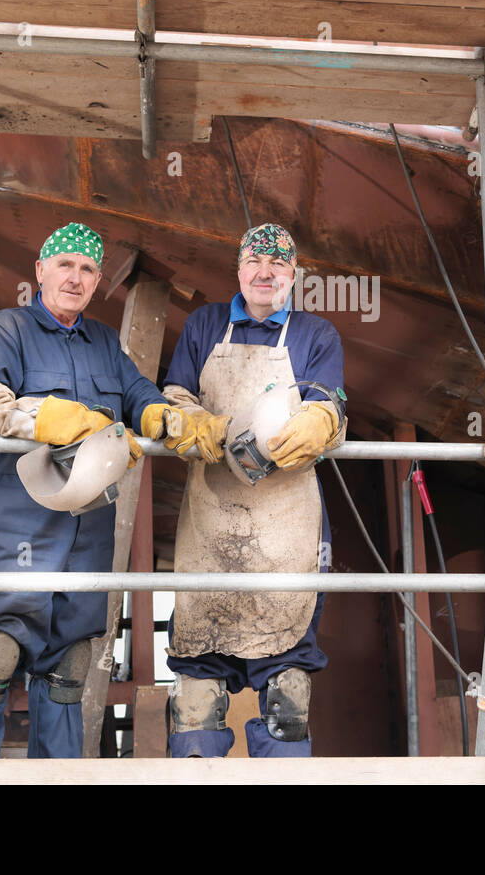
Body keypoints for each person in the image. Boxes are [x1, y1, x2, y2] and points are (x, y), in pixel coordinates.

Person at [0, 222, 218, 759]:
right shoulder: (5, 329)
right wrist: (50, 417)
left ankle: (60, 776)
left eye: (88, 269)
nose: (75, 277)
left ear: (98, 283)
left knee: (70, 665)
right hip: (20, 518)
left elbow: (139, 394)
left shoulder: (104, 344)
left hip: (89, 523)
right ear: (40, 270)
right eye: (65, 265)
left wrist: (163, 416)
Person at [161, 222, 346, 758]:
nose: (265, 273)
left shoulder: (316, 334)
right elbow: (175, 395)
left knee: (288, 692)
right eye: (253, 262)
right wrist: (193, 421)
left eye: (277, 264)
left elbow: (329, 403)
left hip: (285, 524)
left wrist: (321, 419)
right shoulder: (205, 324)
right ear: (238, 270)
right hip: (211, 518)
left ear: (294, 274)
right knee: (195, 690)